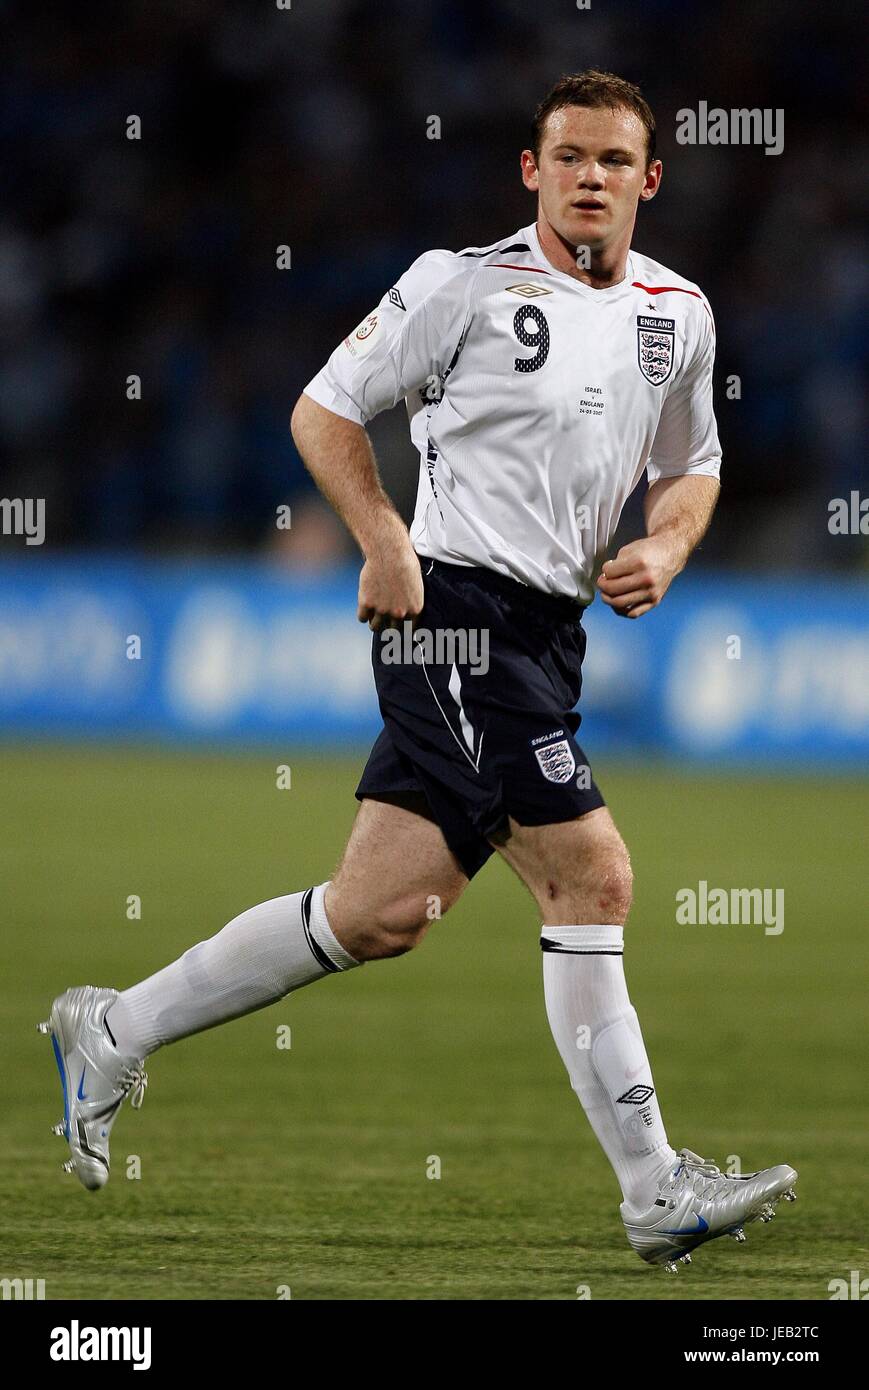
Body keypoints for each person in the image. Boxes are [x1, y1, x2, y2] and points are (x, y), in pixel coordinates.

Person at [41, 70, 796, 1272]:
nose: (587, 179)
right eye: (567, 159)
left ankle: (110, 1028)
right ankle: (654, 1185)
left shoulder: (677, 312)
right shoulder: (464, 285)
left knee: (379, 912)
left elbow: (691, 461)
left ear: (648, 179)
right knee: (590, 878)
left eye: (611, 161)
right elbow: (323, 411)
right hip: (450, 617)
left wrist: (665, 539)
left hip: (548, 636)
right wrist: (384, 536)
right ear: (530, 171)